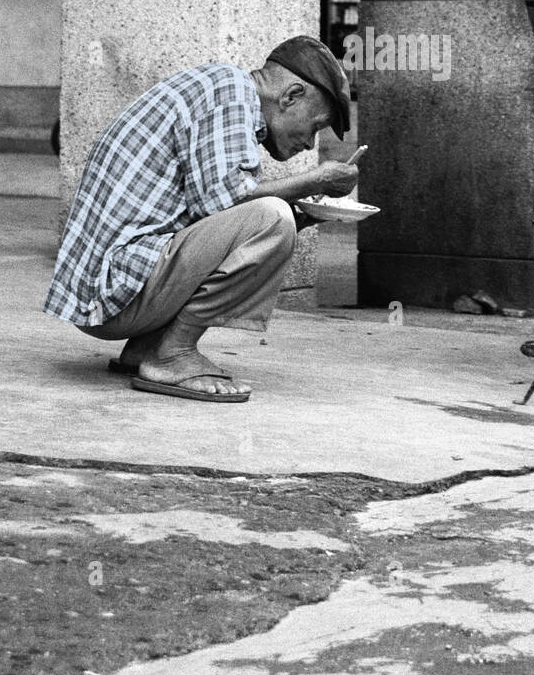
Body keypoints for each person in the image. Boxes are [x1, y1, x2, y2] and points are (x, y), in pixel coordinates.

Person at [44, 36, 363, 403]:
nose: (310, 144)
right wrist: (314, 181)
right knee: (272, 217)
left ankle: (147, 347)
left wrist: (298, 218)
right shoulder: (229, 90)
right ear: (290, 96)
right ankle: (172, 354)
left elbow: (209, 213)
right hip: (113, 292)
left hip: (105, 293)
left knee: (276, 219)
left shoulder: (220, 89)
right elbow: (230, 200)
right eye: (316, 126)